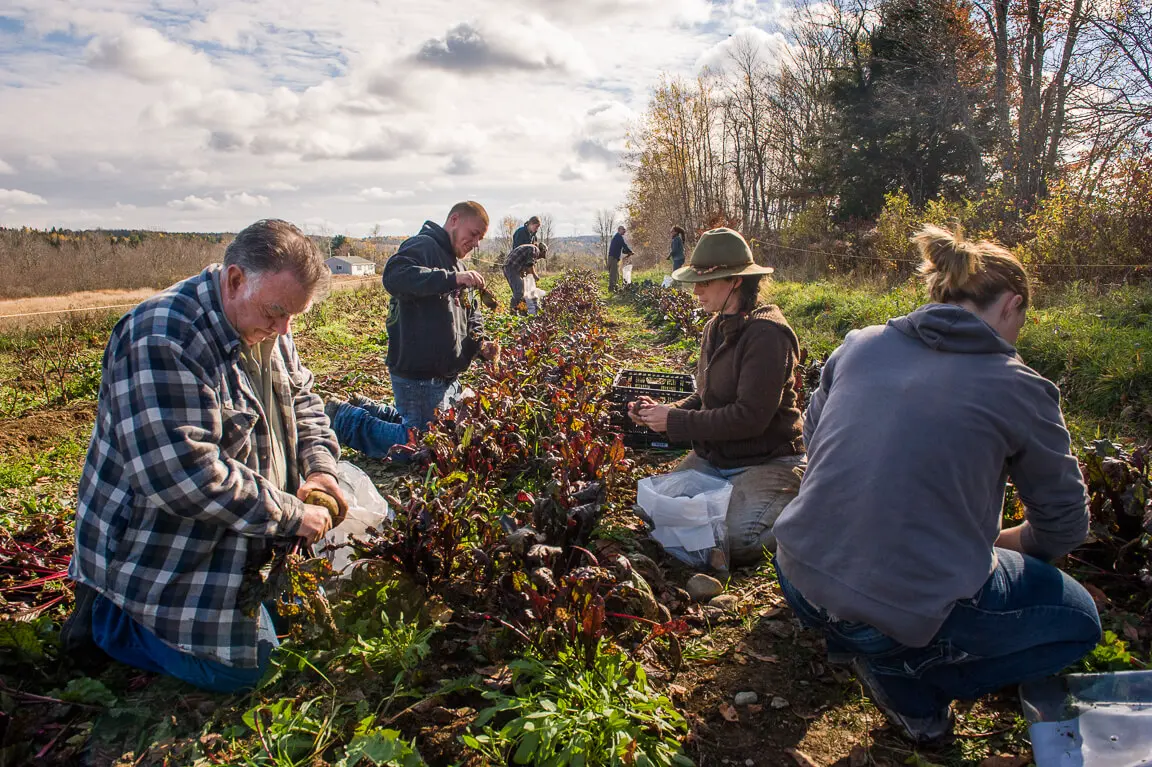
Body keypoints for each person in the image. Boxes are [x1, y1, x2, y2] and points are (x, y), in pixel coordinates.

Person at [772, 225, 1101, 743]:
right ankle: (909, 679)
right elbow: (1063, 526)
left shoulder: (860, 345)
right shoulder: (1019, 386)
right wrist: (1003, 542)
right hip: (893, 612)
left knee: (887, 590)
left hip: (797, 574)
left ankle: (861, 637)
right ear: (1012, 305)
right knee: (1080, 621)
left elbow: (814, 438)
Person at [63, 219, 347, 693]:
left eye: (293, 316)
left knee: (302, 629)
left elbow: (304, 402)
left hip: (242, 529)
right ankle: (110, 618)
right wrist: (293, 513)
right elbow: (184, 476)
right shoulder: (162, 339)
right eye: (276, 312)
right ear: (235, 280)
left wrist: (320, 467)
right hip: (162, 550)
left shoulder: (268, 323)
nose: (283, 329)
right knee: (249, 670)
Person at [630, 228, 805, 568]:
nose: (696, 291)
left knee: (738, 539)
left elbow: (749, 417)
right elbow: (705, 396)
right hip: (717, 458)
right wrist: (663, 413)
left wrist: (676, 422)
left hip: (767, 460)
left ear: (736, 281)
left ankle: (802, 509)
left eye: (705, 283)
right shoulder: (716, 326)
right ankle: (725, 503)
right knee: (651, 510)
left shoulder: (767, 335)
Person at [326, 202, 501, 458]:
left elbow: (471, 315)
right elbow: (394, 276)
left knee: (427, 428)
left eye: (480, 238)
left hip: (444, 375)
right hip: (420, 373)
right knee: (420, 446)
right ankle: (342, 419)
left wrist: (481, 344)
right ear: (454, 220)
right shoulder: (423, 246)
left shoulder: (460, 266)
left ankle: (363, 407)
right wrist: (451, 279)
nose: (475, 243)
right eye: (473, 234)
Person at [504, 241, 548, 313]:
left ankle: (521, 310)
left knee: (522, 290)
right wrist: (535, 276)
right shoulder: (535, 249)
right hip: (512, 267)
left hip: (510, 267)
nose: (539, 258)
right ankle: (512, 311)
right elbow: (529, 266)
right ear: (542, 251)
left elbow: (525, 267)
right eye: (541, 256)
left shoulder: (530, 248)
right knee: (519, 291)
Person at [607, 225, 633, 292]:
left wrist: (628, 252)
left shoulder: (618, 237)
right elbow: (624, 246)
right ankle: (611, 289)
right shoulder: (618, 237)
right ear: (619, 230)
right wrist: (630, 252)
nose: (624, 231)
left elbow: (623, 250)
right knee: (613, 274)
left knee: (616, 273)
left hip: (613, 258)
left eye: (625, 230)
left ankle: (614, 287)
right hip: (613, 258)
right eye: (623, 229)